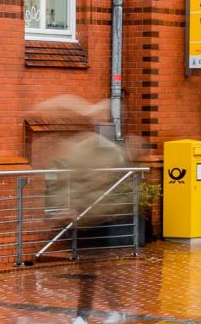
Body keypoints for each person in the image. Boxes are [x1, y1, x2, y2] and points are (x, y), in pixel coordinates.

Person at [35, 97, 133, 324]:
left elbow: (112, 179)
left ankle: (94, 313)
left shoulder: (107, 149)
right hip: (86, 217)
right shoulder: (80, 146)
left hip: (104, 218)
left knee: (97, 269)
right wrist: (66, 207)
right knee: (89, 268)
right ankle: (90, 313)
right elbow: (70, 179)